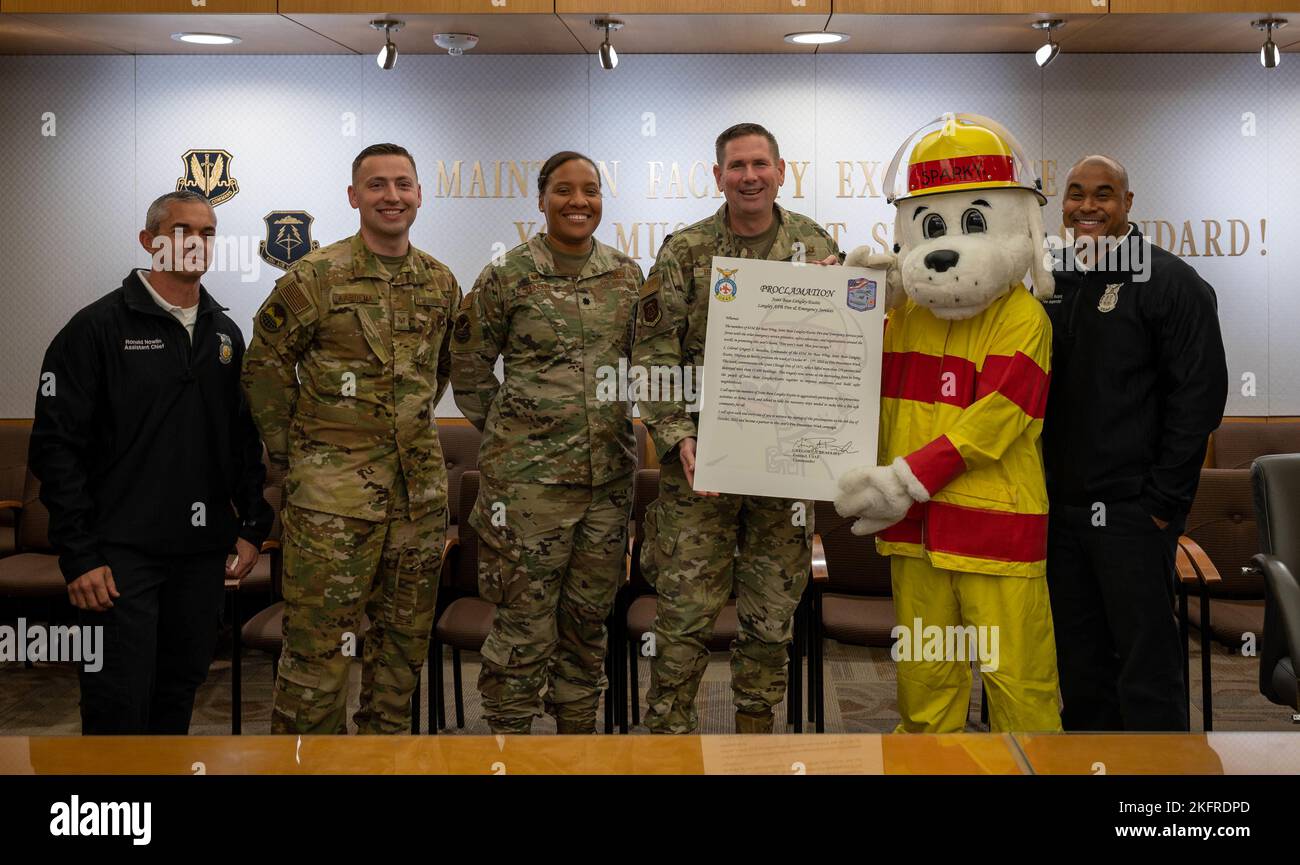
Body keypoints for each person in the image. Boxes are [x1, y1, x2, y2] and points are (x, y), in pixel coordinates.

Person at [29, 189, 272, 734]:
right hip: (116, 561)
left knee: (175, 703)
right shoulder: (94, 330)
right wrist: (80, 555)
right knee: (118, 708)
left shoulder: (225, 335)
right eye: (181, 231)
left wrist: (253, 526)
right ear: (150, 241)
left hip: (200, 558)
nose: (195, 244)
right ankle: (117, 820)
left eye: (207, 233)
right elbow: (55, 449)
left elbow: (240, 443)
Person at [241, 143, 459, 734]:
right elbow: (263, 368)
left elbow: (436, 372)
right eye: (377, 185)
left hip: (417, 504)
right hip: (331, 505)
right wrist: (298, 455)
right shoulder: (315, 276)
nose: (392, 196)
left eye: (403, 185)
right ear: (353, 196)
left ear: (419, 194)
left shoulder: (440, 282)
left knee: (400, 659)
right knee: (318, 659)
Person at [633, 122, 841, 734]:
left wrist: (847, 302)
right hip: (702, 464)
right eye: (736, 166)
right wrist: (677, 436)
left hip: (786, 462)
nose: (748, 176)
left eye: (760, 165)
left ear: (781, 171)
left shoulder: (812, 242)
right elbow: (652, 355)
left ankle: (755, 739)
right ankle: (668, 741)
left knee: (771, 616)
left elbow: (833, 353)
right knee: (685, 616)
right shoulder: (686, 250)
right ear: (718, 174)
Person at [451, 151, 642, 734]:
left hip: (606, 484)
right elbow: (469, 368)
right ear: (540, 200)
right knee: (524, 624)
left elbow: (650, 360)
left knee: (587, 624)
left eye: (590, 190)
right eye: (563, 190)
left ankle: (578, 745)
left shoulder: (627, 276)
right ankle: (509, 745)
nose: (578, 201)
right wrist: (518, 435)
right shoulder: (507, 275)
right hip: (526, 492)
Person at [1043, 154, 1228, 731]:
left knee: (1145, 667)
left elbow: (1198, 400)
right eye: (1076, 194)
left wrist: (1161, 506)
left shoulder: (1170, 282)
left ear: (1127, 203)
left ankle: (1158, 802)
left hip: (1131, 514)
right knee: (1079, 664)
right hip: (1058, 513)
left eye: (1103, 194)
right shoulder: (1048, 280)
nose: (1087, 207)